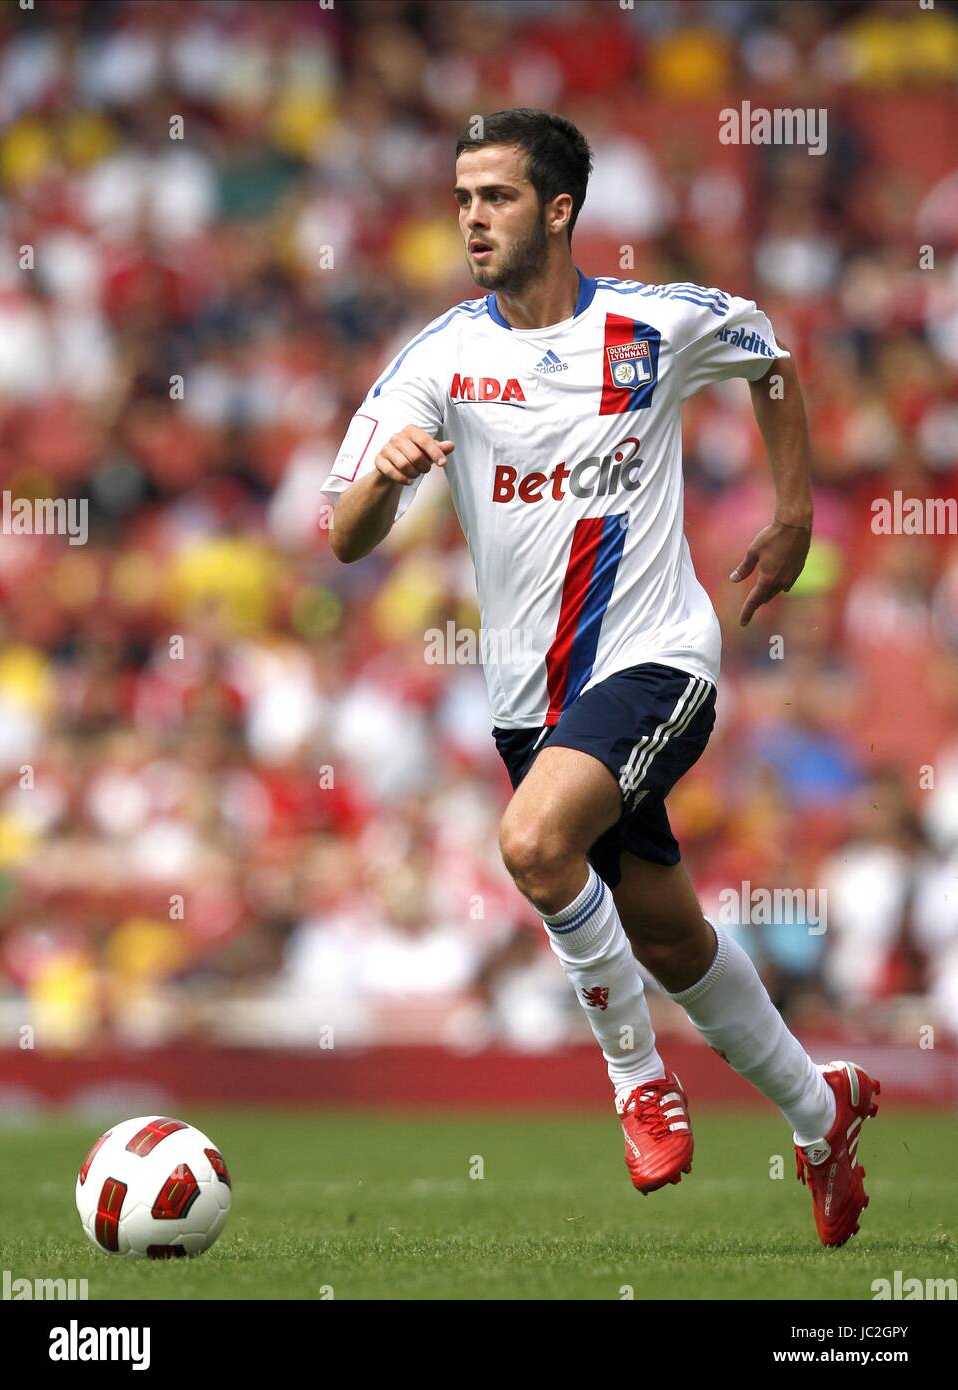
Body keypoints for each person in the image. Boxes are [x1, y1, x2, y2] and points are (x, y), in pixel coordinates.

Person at [321, 108, 879, 1247]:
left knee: (532, 846)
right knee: (671, 941)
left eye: (498, 197)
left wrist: (790, 515)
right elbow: (343, 536)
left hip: (658, 659)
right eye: (462, 197)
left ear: (559, 208)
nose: (472, 217)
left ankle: (635, 1078)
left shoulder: (651, 325)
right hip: (533, 703)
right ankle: (823, 1118)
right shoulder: (440, 358)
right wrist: (383, 480)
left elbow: (765, 357)